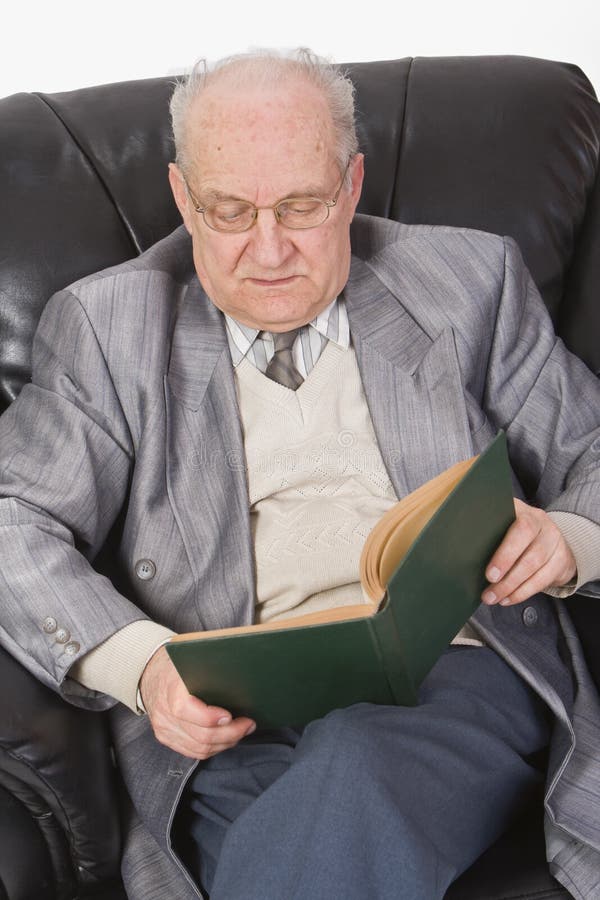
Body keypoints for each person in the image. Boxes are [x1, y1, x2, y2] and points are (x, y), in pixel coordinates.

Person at [1, 48, 600, 900]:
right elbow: (12, 518)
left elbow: (594, 446)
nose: (269, 248)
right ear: (183, 199)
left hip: (454, 669)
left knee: (355, 768)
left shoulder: (469, 280)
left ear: (351, 186)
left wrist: (568, 539)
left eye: (302, 205)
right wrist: (145, 666)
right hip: (232, 711)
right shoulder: (107, 328)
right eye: (231, 211)